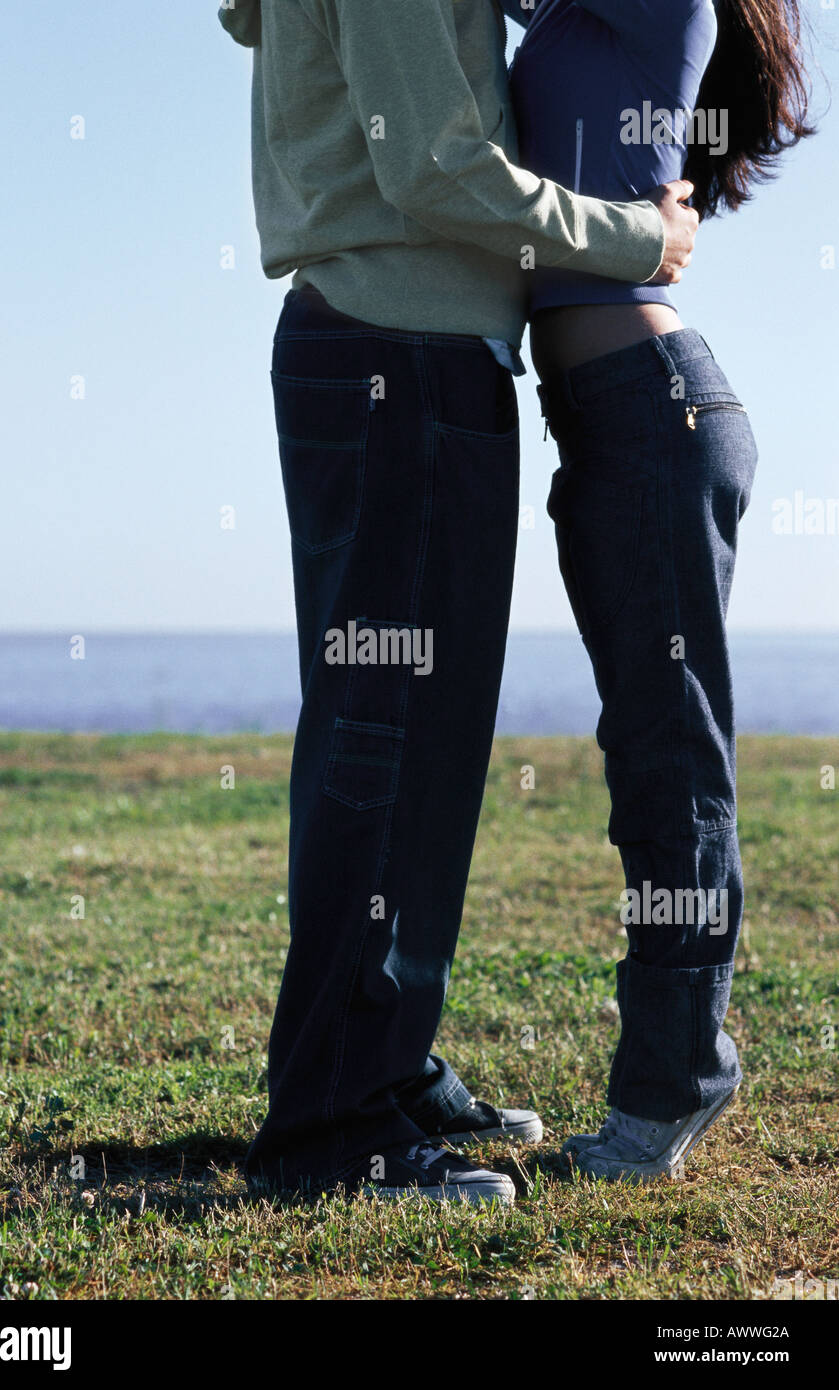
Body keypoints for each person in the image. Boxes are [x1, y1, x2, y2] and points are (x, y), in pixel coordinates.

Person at [218, 0, 698, 1204]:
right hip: (399, 352)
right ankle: (333, 1125)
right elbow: (436, 167)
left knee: (416, 750)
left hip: (403, 350)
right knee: (386, 744)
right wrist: (635, 239)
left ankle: (380, 1064)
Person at [503, 0, 813, 1180]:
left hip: (653, 408)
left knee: (669, 760)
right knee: (650, 756)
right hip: (609, 418)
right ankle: (675, 1068)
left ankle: (675, 1083)